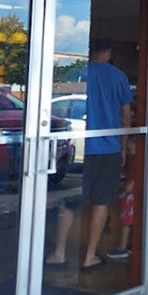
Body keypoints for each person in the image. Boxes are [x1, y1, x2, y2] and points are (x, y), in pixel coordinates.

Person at [45, 38, 132, 270]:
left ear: (90, 51)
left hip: (82, 147)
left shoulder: (79, 73)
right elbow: (125, 115)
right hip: (109, 148)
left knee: (69, 202)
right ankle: (89, 256)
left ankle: (59, 253)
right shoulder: (119, 77)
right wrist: (123, 146)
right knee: (101, 202)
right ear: (108, 52)